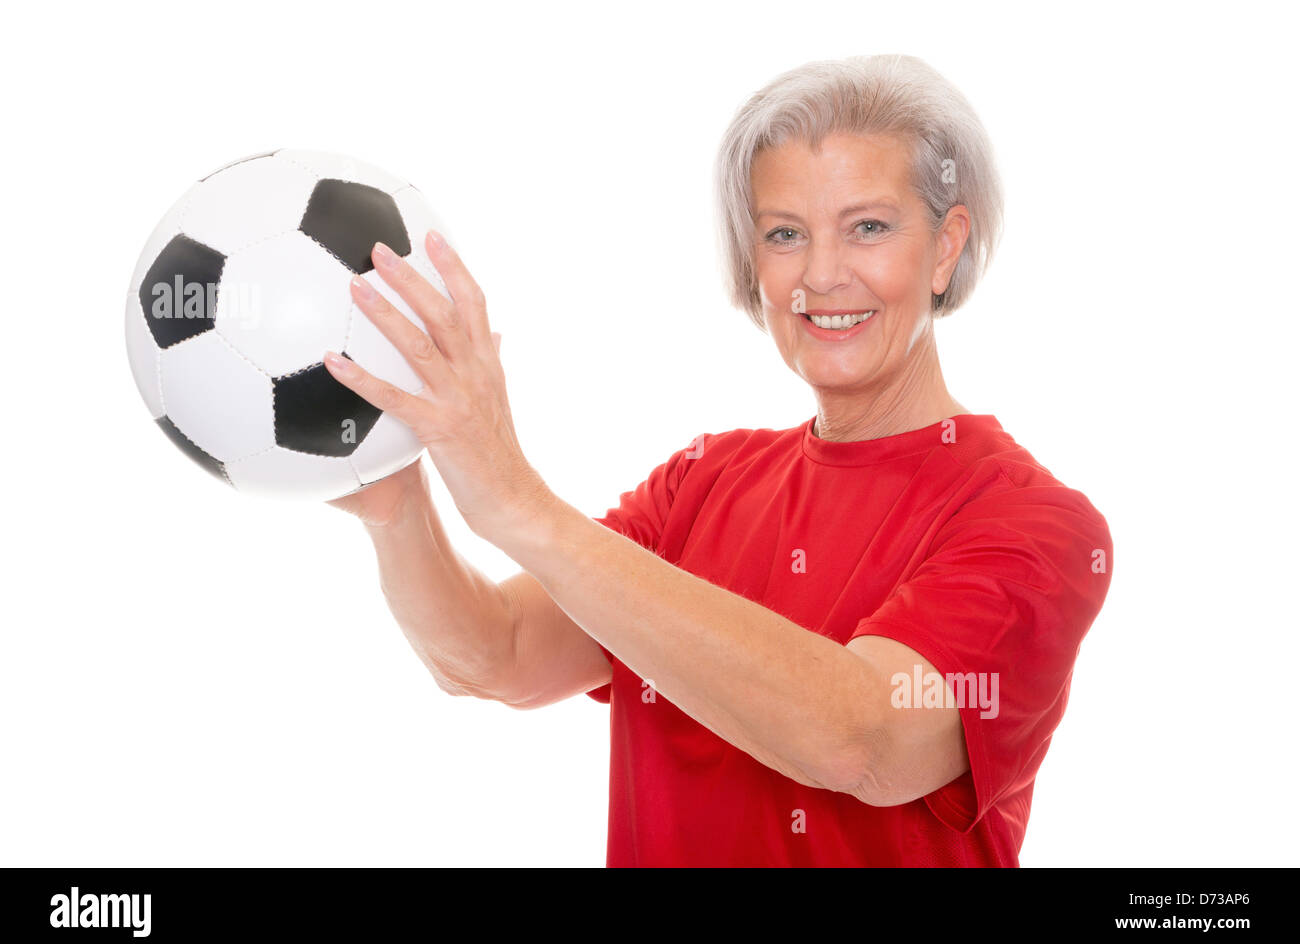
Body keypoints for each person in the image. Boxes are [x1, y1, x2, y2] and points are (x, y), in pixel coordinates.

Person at [321, 53, 1113, 866]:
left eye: (869, 226)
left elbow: (859, 739)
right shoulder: (703, 481)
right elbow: (497, 654)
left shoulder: (1035, 524)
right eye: (784, 234)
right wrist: (393, 498)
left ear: (946, 248)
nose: (822, 274)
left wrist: (523, 506)